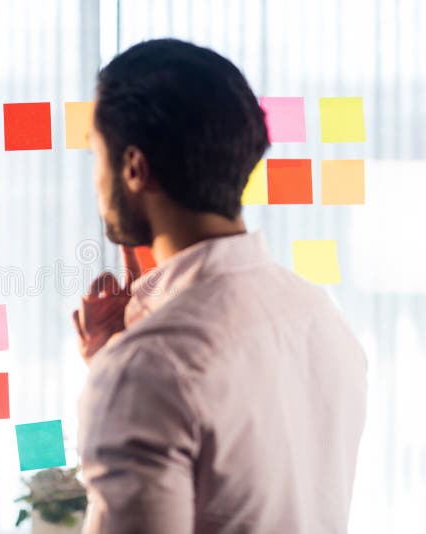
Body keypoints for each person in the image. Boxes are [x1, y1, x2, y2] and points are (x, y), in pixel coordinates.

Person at [73, 39, 367, 533]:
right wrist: (118, 358)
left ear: (133, 168)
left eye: (94, 152)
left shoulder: (150, 368)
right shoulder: (320, 315)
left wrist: (123, 372)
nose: (95, 179)